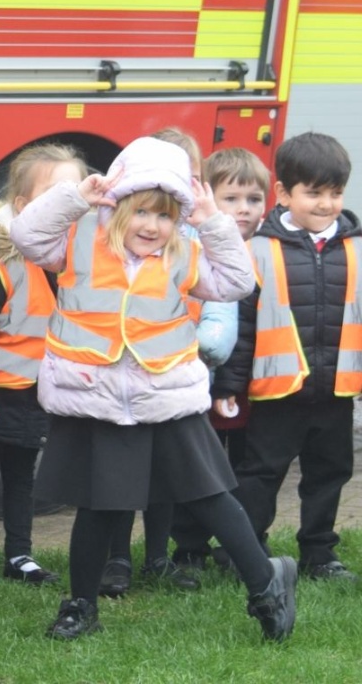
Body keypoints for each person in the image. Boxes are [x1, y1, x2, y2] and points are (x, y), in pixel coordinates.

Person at [11, 136, 297, 642]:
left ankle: (267, 583)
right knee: (99, 503)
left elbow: (236, 282)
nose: (152, 226)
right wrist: (77, 196)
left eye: (166, 216)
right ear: (115, 204)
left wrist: (211, 221)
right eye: (141, 210)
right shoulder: (77, 239)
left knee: (209, 494)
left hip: (165, 396)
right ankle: (81, 604)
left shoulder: (184, 253)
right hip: (94, 394)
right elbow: (26, 234)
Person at [213, 131, 361, 582]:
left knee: (330, 474)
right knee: (261, 474)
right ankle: (247, 551)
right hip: (278, 392)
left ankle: (321, 553)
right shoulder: (257, 249)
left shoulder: (356, 248)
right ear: (283, 193)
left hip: (336, 392)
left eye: (335, 193)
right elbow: (243, 328)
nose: (326, 204)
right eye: (313, 193)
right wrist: (228, 386)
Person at [99, 127, 237, 596]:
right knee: (122, 479)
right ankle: (117, 557)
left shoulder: (198, 237)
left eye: (193, 178)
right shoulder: (132, 238)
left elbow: (228, 294)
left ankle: (157, 555)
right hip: (131, 378)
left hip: (180, 373)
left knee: (164, 480)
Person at [0, 143, 84, 588]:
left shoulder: (68, 258)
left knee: (22, 479)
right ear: (24, 206)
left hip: (36, 394)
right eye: (56, 192)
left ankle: (20, 554)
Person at [170, 146, 270, 572]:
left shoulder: (269, 250)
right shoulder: (203, 251)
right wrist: (223, 384)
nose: (243, 210)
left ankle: (243, 546)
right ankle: (189, 549)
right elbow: (224, 329)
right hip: (210, 386)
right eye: (231, 199)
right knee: (200, 474)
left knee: (247, 472)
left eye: (253, 199)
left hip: (255, 391)